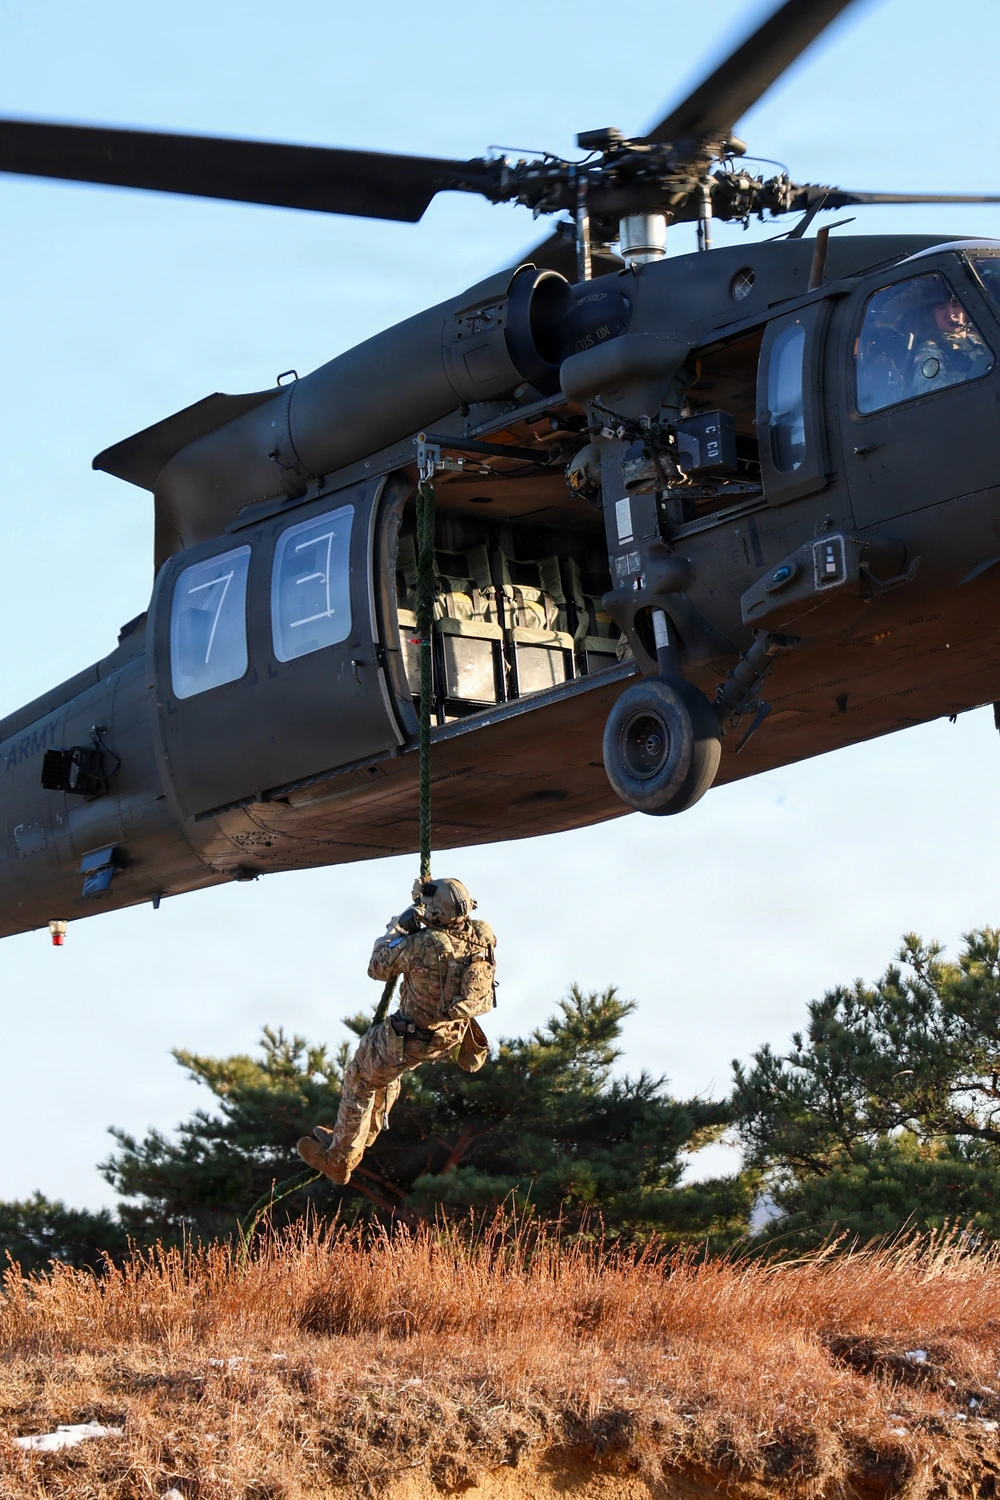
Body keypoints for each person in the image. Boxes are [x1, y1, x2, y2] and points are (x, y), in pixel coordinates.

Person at [297, 878, 497, 1185]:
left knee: (360, 1080)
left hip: (410, 1037)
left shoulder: (421, 945)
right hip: (449, 1037)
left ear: (436, 913)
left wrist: (398, 929)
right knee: (385, 1074)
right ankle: (354, 1139)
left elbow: (377, 967)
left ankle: (340, 1159)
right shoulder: (483, 935)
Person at [909, 287, 992, 396]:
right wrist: (969, 379)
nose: (950, 314)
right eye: (941, 308)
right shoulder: (931, 348)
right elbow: (927, 390)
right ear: (932, 315)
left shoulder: (981, 335)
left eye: (955, 305)